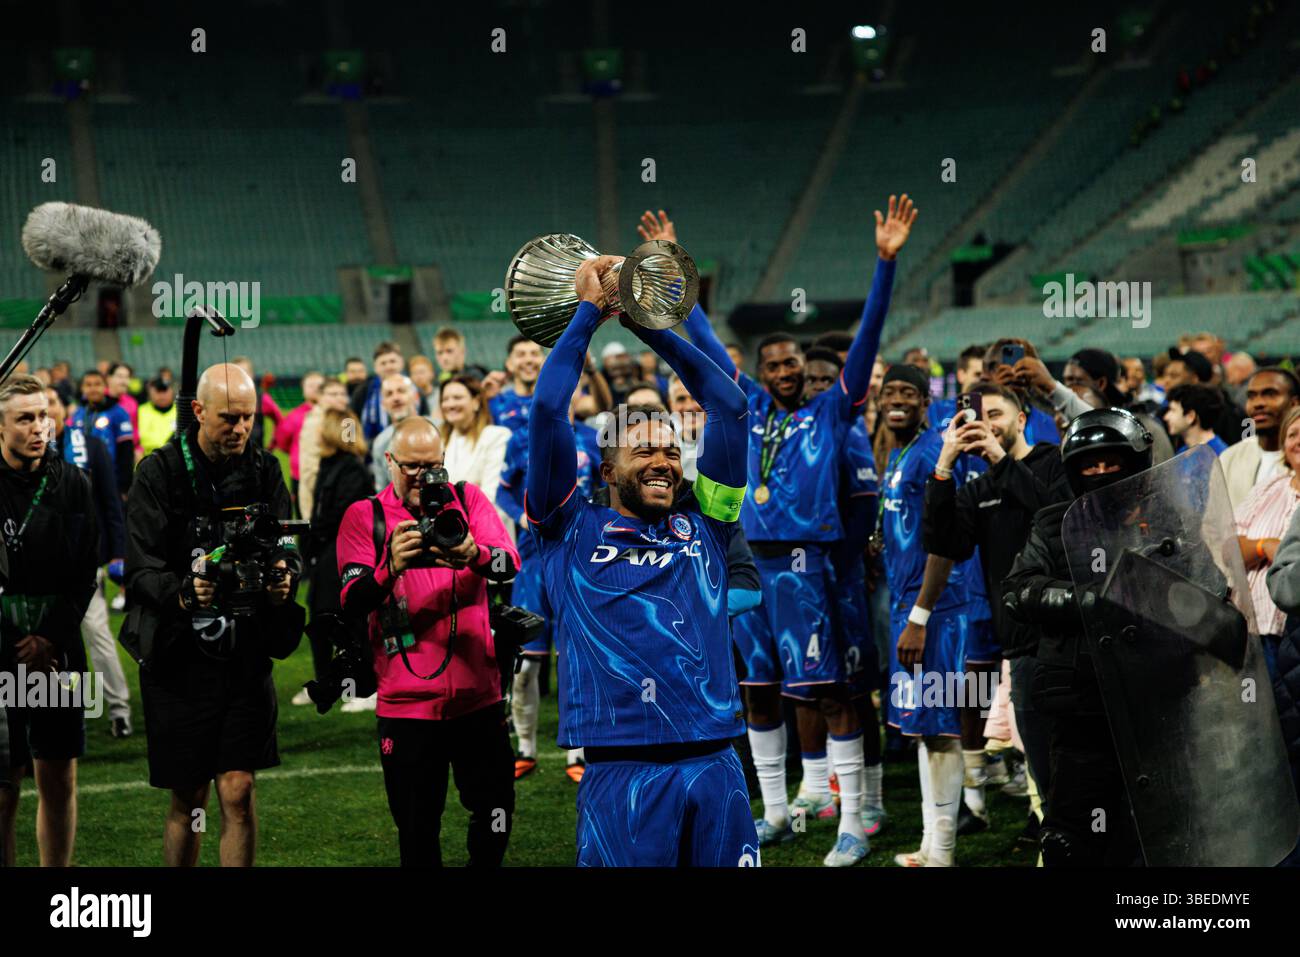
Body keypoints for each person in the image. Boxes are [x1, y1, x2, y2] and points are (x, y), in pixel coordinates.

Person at [677, 195, 914, 865]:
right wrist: (675, 279)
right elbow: (701, 343)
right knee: (758, 687)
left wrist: (884, 264)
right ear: (760, 369)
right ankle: (777, 812)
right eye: (773, 365)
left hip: (812, 569)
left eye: (791, 365)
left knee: (830, 689)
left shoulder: (831, 413)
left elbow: (866, 341)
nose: (784, 373)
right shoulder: (748, 405)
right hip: (751, 566)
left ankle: (849, 821)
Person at [528, 252, 756, 867]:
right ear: (605, 469)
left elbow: (731, 408)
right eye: (641, 451)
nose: (661, 461)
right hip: (619, 765)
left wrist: (643, 321)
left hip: (716, 760)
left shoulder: (707, 519)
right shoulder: (567, 525)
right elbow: (549, 411)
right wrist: (587, 314)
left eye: (669, 451)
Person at [123, 363, 304, 867]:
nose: (241, 429)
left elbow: (287, 539)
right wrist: (185, 592)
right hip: (179, 657)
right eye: (228, 418)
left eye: (248, 418)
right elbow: (138, 569)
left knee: (239, 790)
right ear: (197, 411)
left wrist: (285, 572)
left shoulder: (265, 469)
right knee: (188, 798)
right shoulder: (157, 473)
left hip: (244, 653)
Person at [336, 416, 520, 867]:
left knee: (495, 811)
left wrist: (472, 554)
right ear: (389, 461)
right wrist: (389, 567)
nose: (423, 477)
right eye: (412, 467)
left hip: (478, 696)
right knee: (417, 826)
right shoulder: (366, 516)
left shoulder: (468, 501)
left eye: (433, 465)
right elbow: (351, 600)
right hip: (407, 706)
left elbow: (508, 564)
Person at [1003, 408, 1154, 867]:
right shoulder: (1052, 522)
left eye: (1112, 460)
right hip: (1078, 702)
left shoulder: (1168, 518)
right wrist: (1092, 602)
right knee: (1074, 833)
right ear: (1073, 468)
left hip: (1155, 700)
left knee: (1155, 829)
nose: (1102, 471)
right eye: (1090, 463)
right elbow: (1018, 590)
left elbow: (1204, 588)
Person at [922, 382, 1071, 834]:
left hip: (1070, 633)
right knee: (1039, 756)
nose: (985, 425)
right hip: (1020, 643)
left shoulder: (1055, 462)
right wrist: (944, 470)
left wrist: (1001, 461)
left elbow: (1059, 518)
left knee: (1078, 754)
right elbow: (943, 541)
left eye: (996, 415)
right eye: (975, 417)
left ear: (1021, 420)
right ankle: (1052, 836)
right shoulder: (978, 487)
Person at [0, 376, 100, 867]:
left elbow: (86, 573)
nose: (39, 427)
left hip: (60, 655)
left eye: (43, 416)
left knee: (58, 778)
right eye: (24, 418)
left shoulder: (74, 483)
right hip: (2, 653)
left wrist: (49, 639)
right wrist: (17, 643)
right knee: (4, 786)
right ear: (0, 427)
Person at [788, 348, 886, 835]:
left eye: (828, 379)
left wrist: (840, 568)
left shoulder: (848, 432)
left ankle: (872, 797)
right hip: (803, 582)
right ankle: (818, 787)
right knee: (808, 687)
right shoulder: (799, 430)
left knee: (854, 689)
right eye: (812, 380)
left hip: (840, 584)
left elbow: (865, 508)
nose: (818, 386)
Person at [497, 383, 603, 782]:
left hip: (581, 563)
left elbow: (607, 488)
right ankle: (525, 747)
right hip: (534, 562)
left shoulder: (594, 439)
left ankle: (576, 752)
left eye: (574, 389)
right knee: (524, 665)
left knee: (577, 660)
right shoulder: (523, 438)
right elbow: (503, 491)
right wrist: (522, 517)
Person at [46, 387, 132, 738]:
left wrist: (118, 552)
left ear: (64, 410)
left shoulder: (91, 447)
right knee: (45, 644)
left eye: (51, 403)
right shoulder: (21, 453)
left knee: (97, 634)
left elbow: (110, 504)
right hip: (39, 569)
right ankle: (56, 713)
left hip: (84, 564)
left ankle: (119, 709)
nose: (45, 413)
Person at [1235, 407, 1300, 645]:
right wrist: (1265, 546)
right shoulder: (1269, 487)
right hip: (1248, 626)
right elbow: (1229, 546)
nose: (1298, 440)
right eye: (1292, 434)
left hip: (1291, 634)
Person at [1219, 368, 1300, 508]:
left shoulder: (1297, 457)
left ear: (1294, 403)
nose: (1258, 403)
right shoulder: (1230, 458)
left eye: (1270, 394)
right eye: (1251, 396)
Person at [440, 377, 511, 531]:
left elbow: (491, 497)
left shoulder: (497, 436)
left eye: (457, 398)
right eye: (445, 399)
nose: (450, 404)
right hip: (448, 536)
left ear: (476, 402)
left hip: (489, 534)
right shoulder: (438, 442)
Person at [69, 369, 135, 497]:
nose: (93, 389)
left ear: (105, 386)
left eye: (97, 384)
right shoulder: (78, 414)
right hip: (83, 482)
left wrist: (124, 487)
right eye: (88, 385)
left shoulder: (118, 413)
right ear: (82, 388)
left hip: (111, 482)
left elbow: (126, 451)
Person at [299, 377, 352, 522]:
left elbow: (354, 454)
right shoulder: (314, 422)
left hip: (345, 495)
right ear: (320, 397)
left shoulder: (348, 420)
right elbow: (310, 468)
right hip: (322, 500)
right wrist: (324, 498)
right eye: (333, 394)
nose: (339, 398)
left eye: (342, 394)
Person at [271, 371, 324, 507]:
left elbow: (349, 442)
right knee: (304, 517)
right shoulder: (295, 416)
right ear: (303, 390)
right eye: (311, 385)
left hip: (328, 473)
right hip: (301, 474)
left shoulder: (340, 416)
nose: (315, 389)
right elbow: (282, 441)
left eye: (319, 385)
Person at [369, 374, 425, 494]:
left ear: (415, 397)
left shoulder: (439, 429)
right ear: (383, 404)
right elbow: (382, 492)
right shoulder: (380, 442)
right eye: (389, 394)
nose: (396, 398)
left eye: (401, 391)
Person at [485, 337, 543, 435]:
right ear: (509, 363)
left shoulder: (558, 401)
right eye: (521, 355)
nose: (529, 360)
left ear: (544, 360)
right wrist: (482, 398)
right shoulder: (496, 402)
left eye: (534, 354)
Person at [351, 342, 406, 441]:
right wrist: (349, 447)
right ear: (375, 367)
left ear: (401, 363)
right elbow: (349, 420)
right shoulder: (363, 391)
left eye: (392, 361)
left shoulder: (413, 389)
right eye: (383, 363)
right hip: (370, 451)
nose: (388, 367)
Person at [230, 357, 283, 450]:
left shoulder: (262, 399)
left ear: (252, 375)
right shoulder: (223, 399)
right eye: (238, 372)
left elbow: (280, 421)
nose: (242, 376)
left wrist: (272, 445)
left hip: (255, 460)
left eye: (246, 372)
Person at [1163, 383, 1227, 455]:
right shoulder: (1183, 452)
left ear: (1190, 416)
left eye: (1173, 410)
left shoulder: (1219, 454)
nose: (1166, 417)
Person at [137, 377, 178, 459]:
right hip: (146, 461)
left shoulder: (181, 411)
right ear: (150, 392)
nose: (162, 395)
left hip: (174, 460)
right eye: (158, 391)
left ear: (172, 391)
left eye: (165, 390)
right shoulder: (140, 411)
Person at [107, 362, 141, 459]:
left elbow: (134, 430)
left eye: (127, 377)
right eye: (120, 376)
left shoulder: (132, 403)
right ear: (109, 378)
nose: (124, 381)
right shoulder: (99, 399)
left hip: (125, 456)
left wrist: (138, 448)